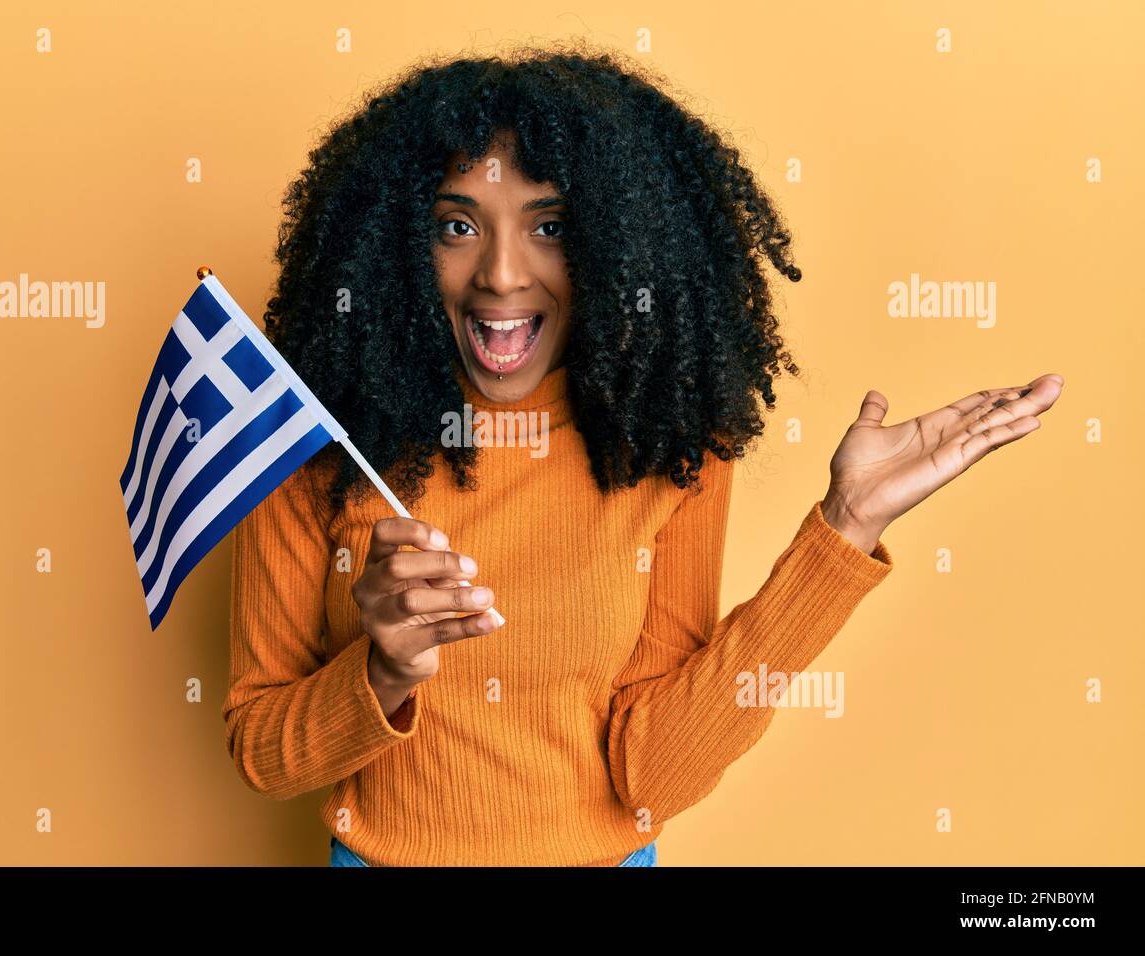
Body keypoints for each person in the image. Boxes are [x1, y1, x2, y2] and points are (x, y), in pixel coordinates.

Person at [222, 45, 1063, 867]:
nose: (502, 275)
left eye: (549, 226)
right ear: (397, 245)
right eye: (456, 225)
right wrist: (383, 669)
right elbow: (261, 753)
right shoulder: (315, 442)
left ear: (616, 244)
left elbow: (654, 773)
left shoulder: (664, 444)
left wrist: (845, 530)